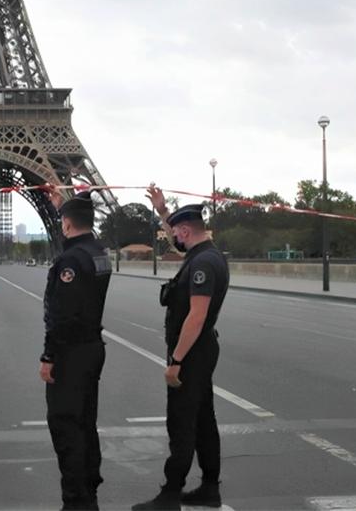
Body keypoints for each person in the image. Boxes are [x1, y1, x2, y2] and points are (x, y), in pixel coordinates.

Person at [133, 189, 229, 510]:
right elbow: (179, 243)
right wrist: (163, 212)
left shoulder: (202, 263)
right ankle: (210, 488)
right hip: (202, 350)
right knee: (203, 420)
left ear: (186, 231)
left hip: (192, 353)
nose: (173, 238)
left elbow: (196, 317)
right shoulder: (206, 254)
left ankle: (170, 494)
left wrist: (176, 360)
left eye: (176, 232)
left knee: (182, 422)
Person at [41, 189, 112, 510]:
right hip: (93, 347)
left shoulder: (70, 260)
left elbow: (62, 316)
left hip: (71, 353)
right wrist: (64, 206)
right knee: (85, 422)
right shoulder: (98, 253)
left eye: (63, 222)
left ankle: (75, 501)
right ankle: (89, 489)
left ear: (67, 224)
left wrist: (49, 356)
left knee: (66, 426)